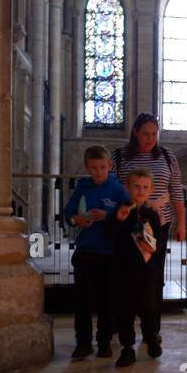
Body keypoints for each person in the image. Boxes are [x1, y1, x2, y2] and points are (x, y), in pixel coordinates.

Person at [112, 113, 184, 351]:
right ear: (135, 132)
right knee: (127, 277)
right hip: (128, 222)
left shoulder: (166, 156)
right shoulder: (120, 156)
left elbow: (176, 191)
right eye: (145, 133)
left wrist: (181, 224)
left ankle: (152, 332)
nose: (150, 138)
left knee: (153, 277)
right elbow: (113, 190)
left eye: (154, 134)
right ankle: (125, 330)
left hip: (158, 222)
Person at [63, 145, 129, 360]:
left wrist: (107, 216)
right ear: (87, 167)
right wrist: (76, 220)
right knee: (82, 301)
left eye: (102, 167)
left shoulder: (118, 190)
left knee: (106, 301)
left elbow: (127, 215)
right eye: (94, 168)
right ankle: (83, 343)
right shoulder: (83, 188)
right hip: (85, 252)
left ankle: (104, 342)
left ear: (109, 166)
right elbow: (69, 214)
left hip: (109, 253)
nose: (98, 171)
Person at [110, 169, 164, 368]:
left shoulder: (152, 215)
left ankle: (151, 338)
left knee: (149, 309)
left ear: (150, 190)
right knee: (125, 311)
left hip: (147, 273)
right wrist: (118, 220)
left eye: (145, 187)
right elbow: (110, 234)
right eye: (136, 186)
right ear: (127, 187)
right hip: (124, 272)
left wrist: (157, 268)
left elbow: (158, 242)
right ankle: (127, 348)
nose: (140, 191)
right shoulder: (121, 211)